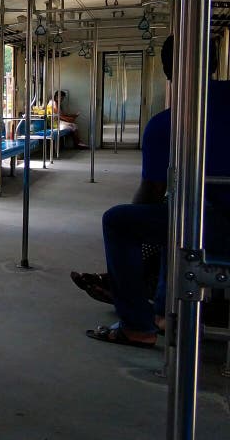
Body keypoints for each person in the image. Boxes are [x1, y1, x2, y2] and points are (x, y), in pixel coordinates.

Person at [84, 35, 230, 348]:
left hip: (215, 228)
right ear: (216, 64)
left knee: (124, 221)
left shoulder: (170, 124)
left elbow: (151, 191)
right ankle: (164, 309)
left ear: (166, 71)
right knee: (177, 213)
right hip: (205, 217)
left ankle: (137, 325)